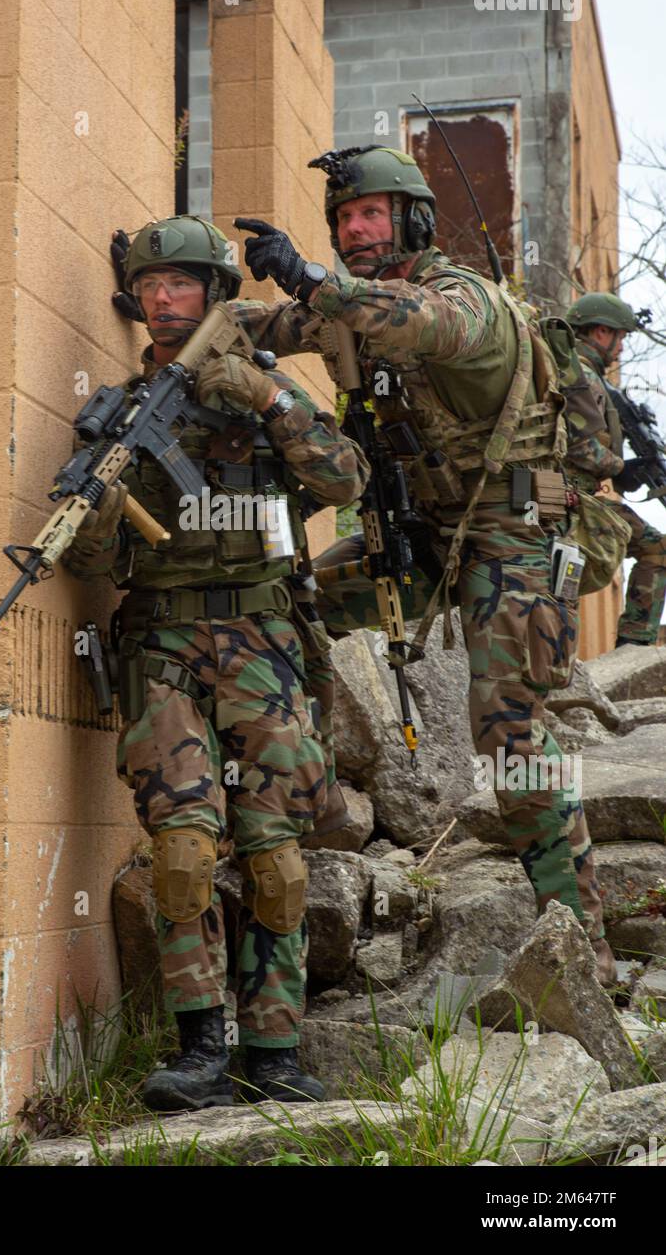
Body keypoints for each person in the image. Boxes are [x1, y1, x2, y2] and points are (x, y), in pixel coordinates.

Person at [225, 144, 620, 988]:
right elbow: (269, 330)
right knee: (289, 606)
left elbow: (416, 324)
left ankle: (584, 939)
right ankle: (318, 798)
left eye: (369, 215)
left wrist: (308, 277)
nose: (354, 230)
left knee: (507, 725)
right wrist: (179, 308)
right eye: (342, 221)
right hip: (423, 536)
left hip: (511, 535)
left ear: (411, 220)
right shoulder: (352, 306)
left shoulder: (463, 299)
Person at [64, 215, 369, 1110]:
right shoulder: (121, 414)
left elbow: (345, 481)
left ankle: (275, 1049)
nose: (162, 300)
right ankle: (200, 1048)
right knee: (185, 850)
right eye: (149, 287)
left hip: (265, 644)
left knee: (277, 859)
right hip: (161, 642)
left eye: (180, 285)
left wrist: (271, 401)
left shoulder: (262, 391)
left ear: (213, 293)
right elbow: (88, 568)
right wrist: (98, 509)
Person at [564, 292, 666, 648]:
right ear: (601, 333)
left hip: (576, 496)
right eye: (620, 337)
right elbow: (578, 446)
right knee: (657, 549)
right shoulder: (581, 373)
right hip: (567, 498)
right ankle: (634, 646)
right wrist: (622, 468)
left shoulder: (580, 370)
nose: (621, 347)